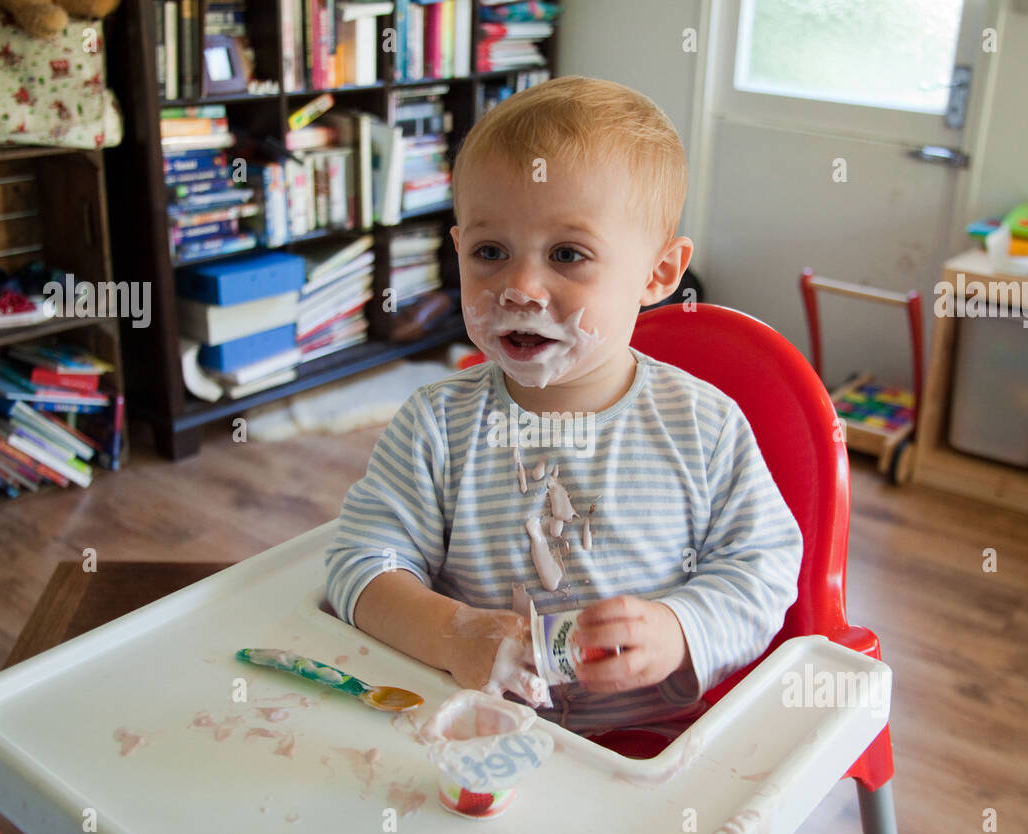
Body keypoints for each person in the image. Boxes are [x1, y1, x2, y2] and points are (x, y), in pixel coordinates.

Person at [322, 76, 802, 737]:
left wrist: (680, 628)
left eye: (568, 255)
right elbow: (361, 565)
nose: (519, 288)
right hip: (470, 738)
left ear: (659, 274)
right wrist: (453, 633)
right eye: (491, 253)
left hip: (651, 753)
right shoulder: (436, 425)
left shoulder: (704, 426)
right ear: (458, 251)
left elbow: (765, 566)